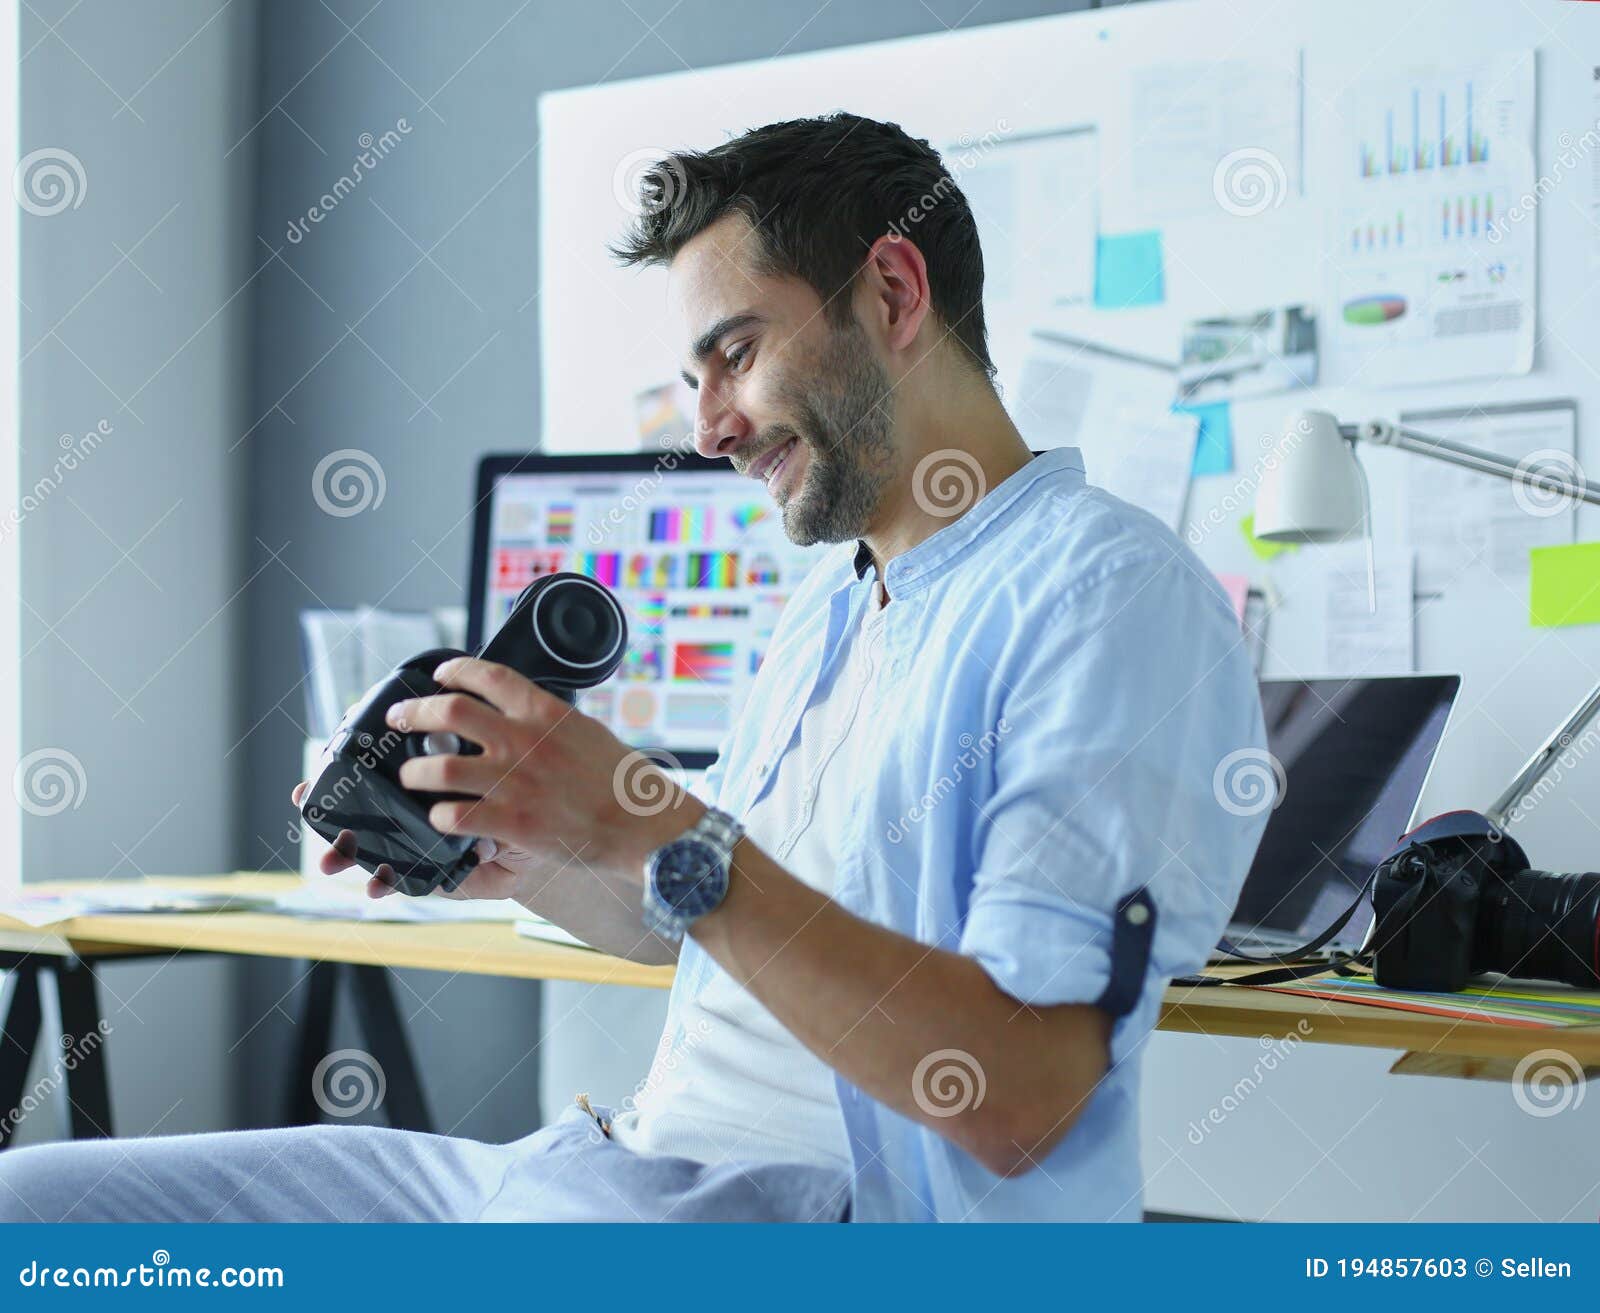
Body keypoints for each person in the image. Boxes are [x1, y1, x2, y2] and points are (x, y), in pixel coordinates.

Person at [0, 112, 1268, 1224]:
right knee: (36, 1211)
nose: (709, 427)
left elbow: (1020, 1102)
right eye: (693, 375)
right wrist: (529, 853)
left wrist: (655, 824)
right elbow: (701, 939)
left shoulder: (1104, 599)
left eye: (736, 353)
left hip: (793, 1213)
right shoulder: (829, 607)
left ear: (891, 292)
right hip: (600, 1162)